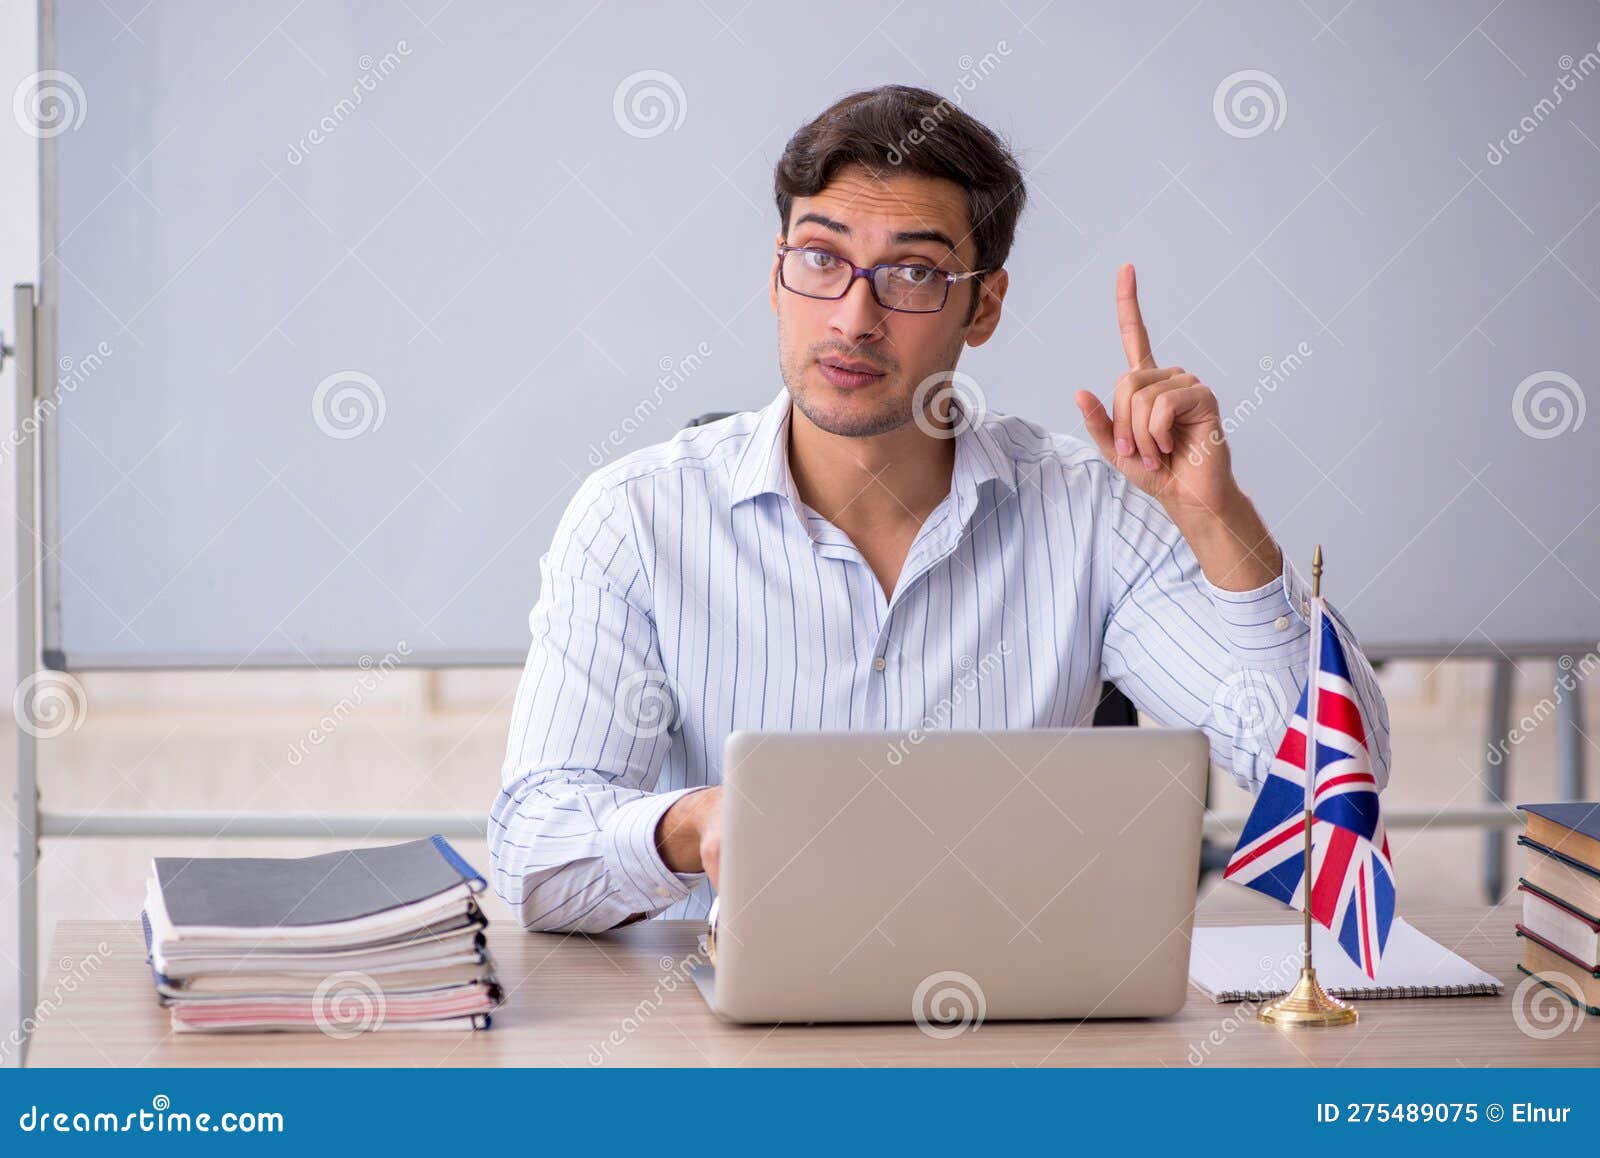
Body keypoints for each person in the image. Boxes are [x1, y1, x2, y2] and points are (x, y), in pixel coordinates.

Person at [489, 84, 1390, 934]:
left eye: (913, 273)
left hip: (1018, 1049)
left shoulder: (1088, 515)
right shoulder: (636, 520)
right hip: (724, 1048)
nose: (853, 316)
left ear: (984, 305)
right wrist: (701, 824)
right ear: (775, 275)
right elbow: (534, 860)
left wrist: (1216, 520)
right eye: (820, 258)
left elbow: (1331, 796)